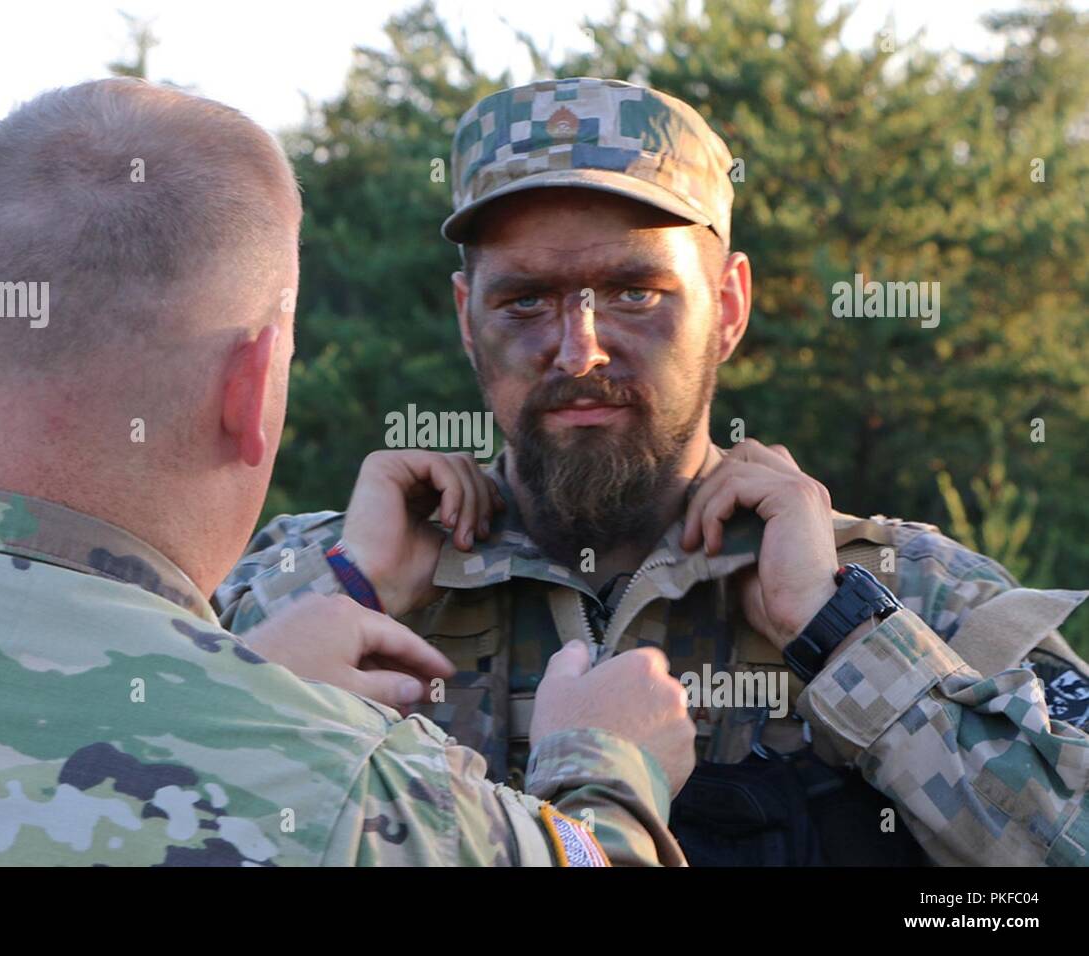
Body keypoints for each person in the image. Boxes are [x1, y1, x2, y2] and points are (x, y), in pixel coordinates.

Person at [0, 78, 695, 867]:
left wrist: (248, 671)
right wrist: (610, 769)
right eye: (527, 297)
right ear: (253, 384)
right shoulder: (365, 797)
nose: (577, 347)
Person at [219, 77, 1089, 866]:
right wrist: (343, 597)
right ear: (464, 318)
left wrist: (838, 632)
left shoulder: (909, 595)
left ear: (729, 307)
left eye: (636, 292)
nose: (579, 349)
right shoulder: (319, 578)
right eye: (525, 299)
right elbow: (132, 807)